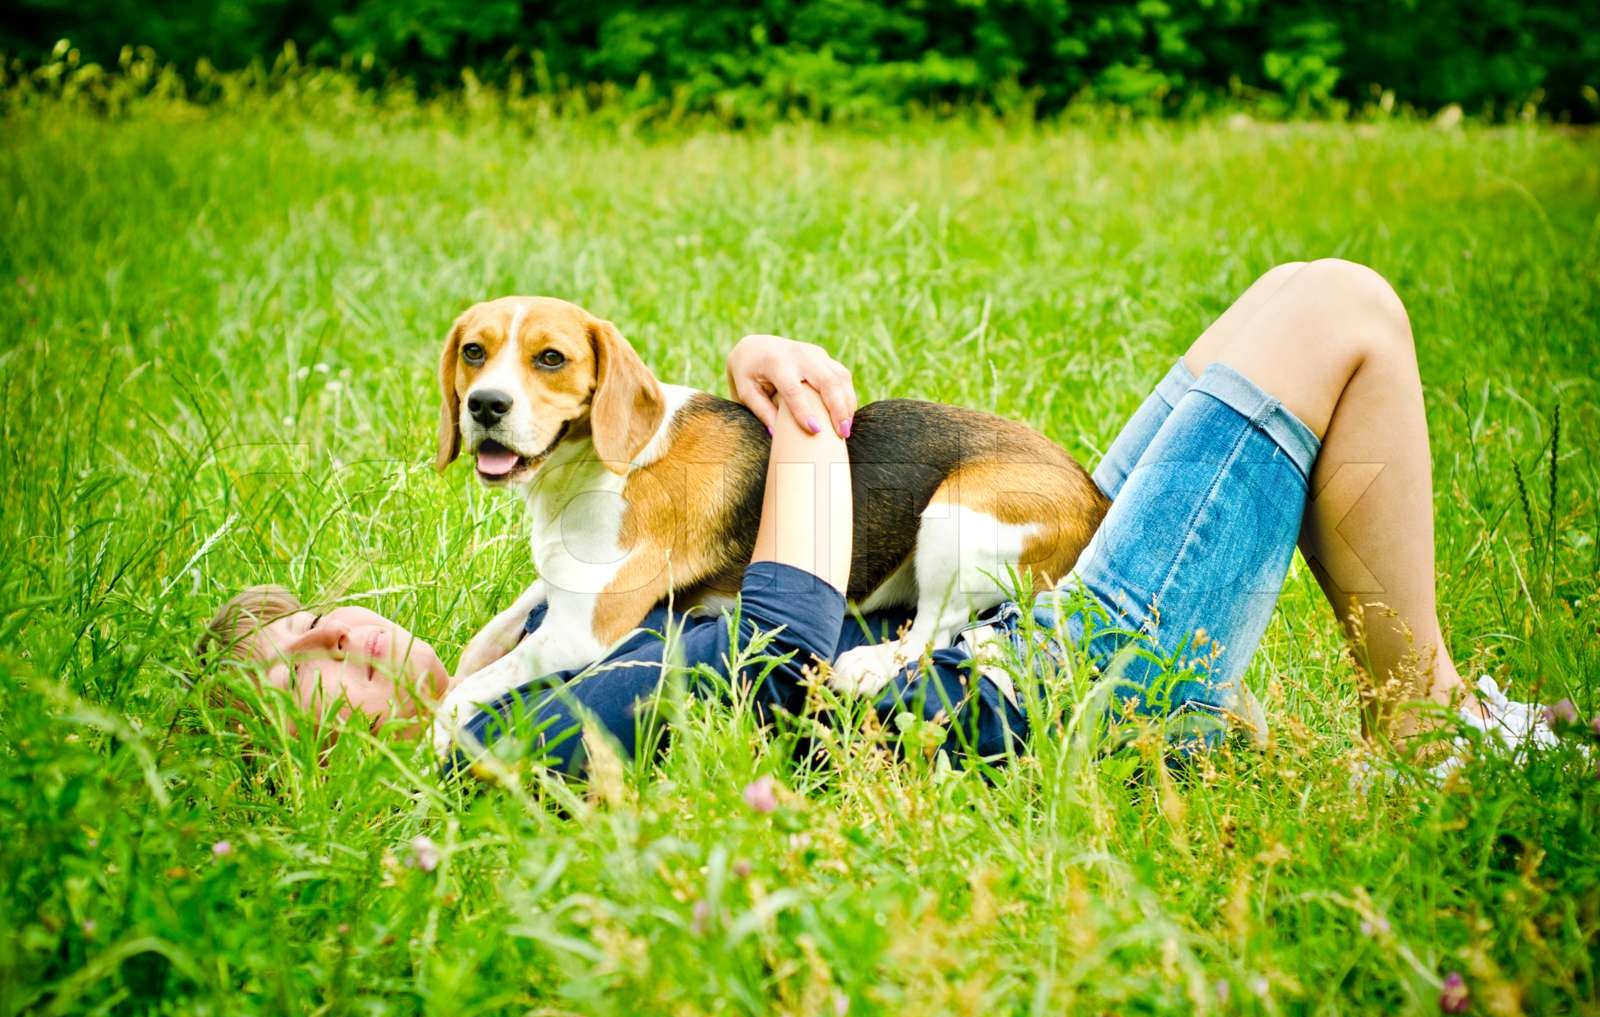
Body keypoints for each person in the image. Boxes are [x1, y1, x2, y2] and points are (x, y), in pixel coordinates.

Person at [198, 260, 1560, 775]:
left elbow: (674, 557)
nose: (353, 639)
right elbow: (775, 646)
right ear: (300, 752)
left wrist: (745, 389)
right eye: (310, 669)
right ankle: (1428, 725)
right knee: (1335, 307)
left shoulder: (508, 654)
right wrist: (798, 426)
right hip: (1032, 686)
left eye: (324, 616)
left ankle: (1429, 717)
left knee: (1289, 324)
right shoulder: (499, 742)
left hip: (980, 594)